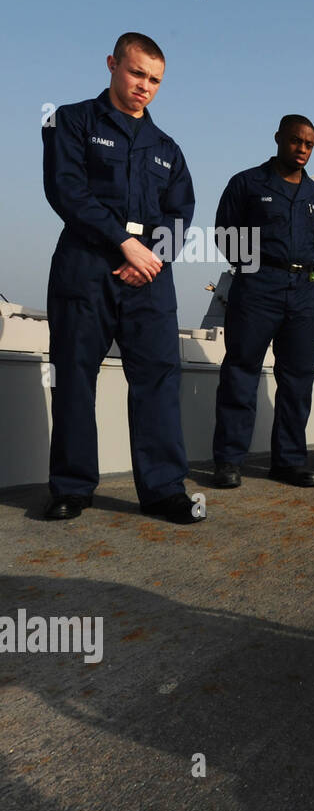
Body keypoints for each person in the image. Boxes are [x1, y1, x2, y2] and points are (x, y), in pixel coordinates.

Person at [41, 32, 201, 524]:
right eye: (136, 73)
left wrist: (150, 258)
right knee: (73, 376)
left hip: (148, 276)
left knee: (156, 379)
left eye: (154, 80)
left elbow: (181, 213)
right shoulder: (70, 121)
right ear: (112, 63)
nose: (144, 87)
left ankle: (162, 489)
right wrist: (123, 242)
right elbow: (65, 189)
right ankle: (71, 488)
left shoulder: (167, 149)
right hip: (86, 267)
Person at [211, 116, 314, 489]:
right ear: (278, 138)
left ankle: (289, 461)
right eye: (295, 141)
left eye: (309, 144)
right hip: (257, 287)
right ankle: (230, 461)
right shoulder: (246, 184)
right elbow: (225, 232)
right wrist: (253, 270)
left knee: (297, 380)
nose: (302, 149)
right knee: (241, 373)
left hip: (303, 291)